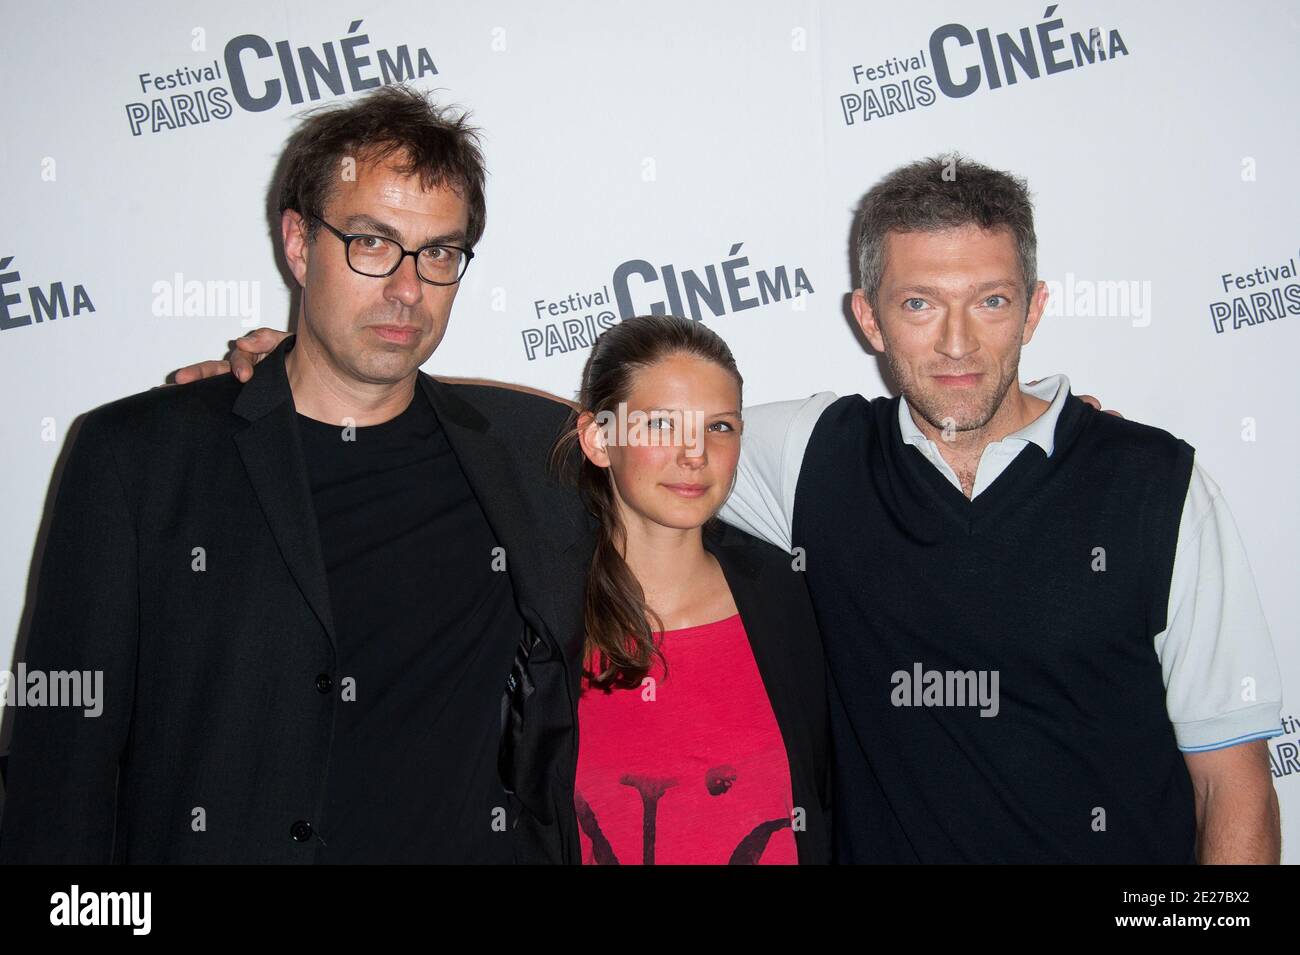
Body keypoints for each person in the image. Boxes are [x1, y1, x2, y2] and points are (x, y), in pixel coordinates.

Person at [0, 85, 594, 863]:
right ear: (296, 242)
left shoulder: (535, 455)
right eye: (372, 243)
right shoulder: (136, 456)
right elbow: (57, 780)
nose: (408, 289)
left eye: (439, 253)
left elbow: (709, 468)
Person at [718, 155, 1284, 863]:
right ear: (869, 318)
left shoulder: (1155, 482)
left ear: (1033, 308)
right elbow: (624, 439)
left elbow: (1231, 786)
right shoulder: (812, 457)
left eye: (990, 301)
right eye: (919, 303)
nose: (958, 343)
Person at [554, 315, 830, 864]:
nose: (695, 454)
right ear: (598, 439)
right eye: (659, 425)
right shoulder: (541, 618)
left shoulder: (791, 598)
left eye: (719, 427)